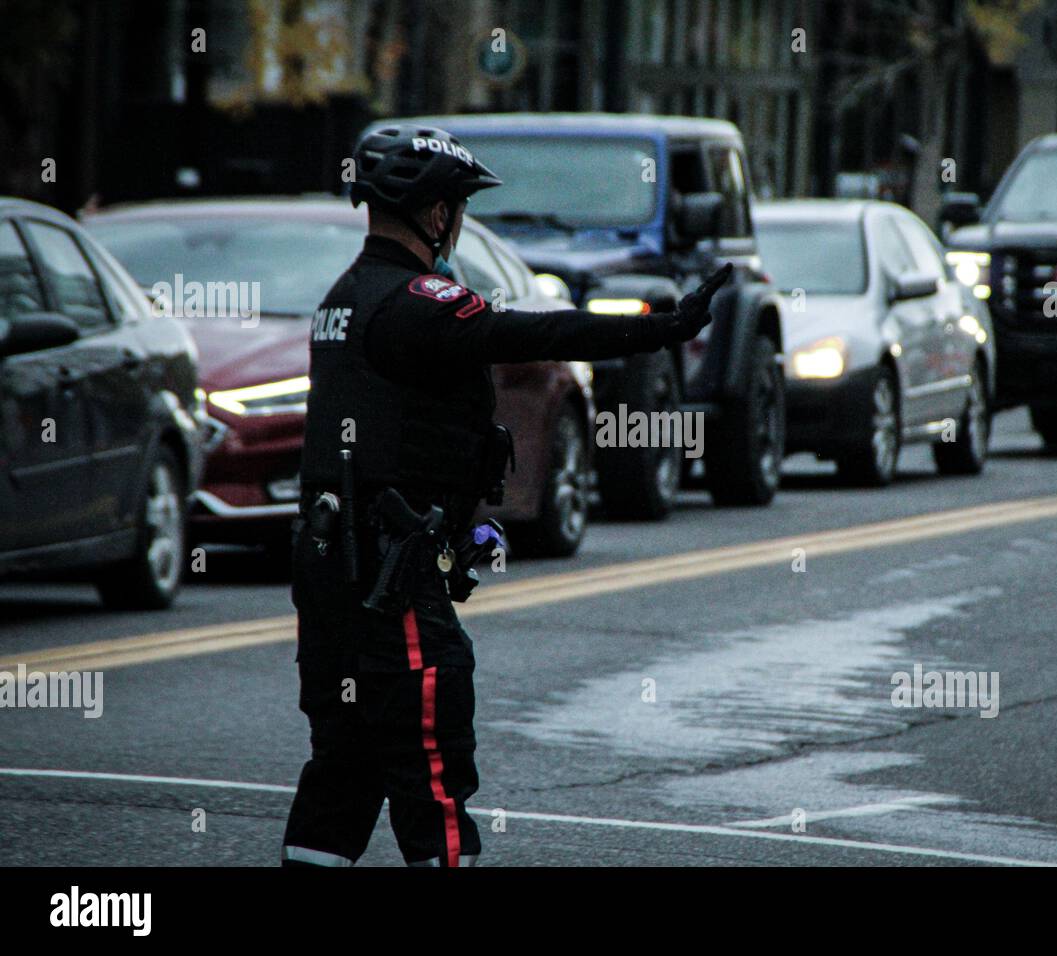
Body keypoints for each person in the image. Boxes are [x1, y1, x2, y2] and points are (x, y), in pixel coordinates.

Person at [281, 123, 730, 867]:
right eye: (455, 204)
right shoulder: (416, 299)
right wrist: (660, 328)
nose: (458, 219)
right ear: (434, 214)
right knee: (433, 770)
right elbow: (532, 330)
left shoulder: (344, 297)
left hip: (331, 577)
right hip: (390, 584)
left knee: (343, 772)